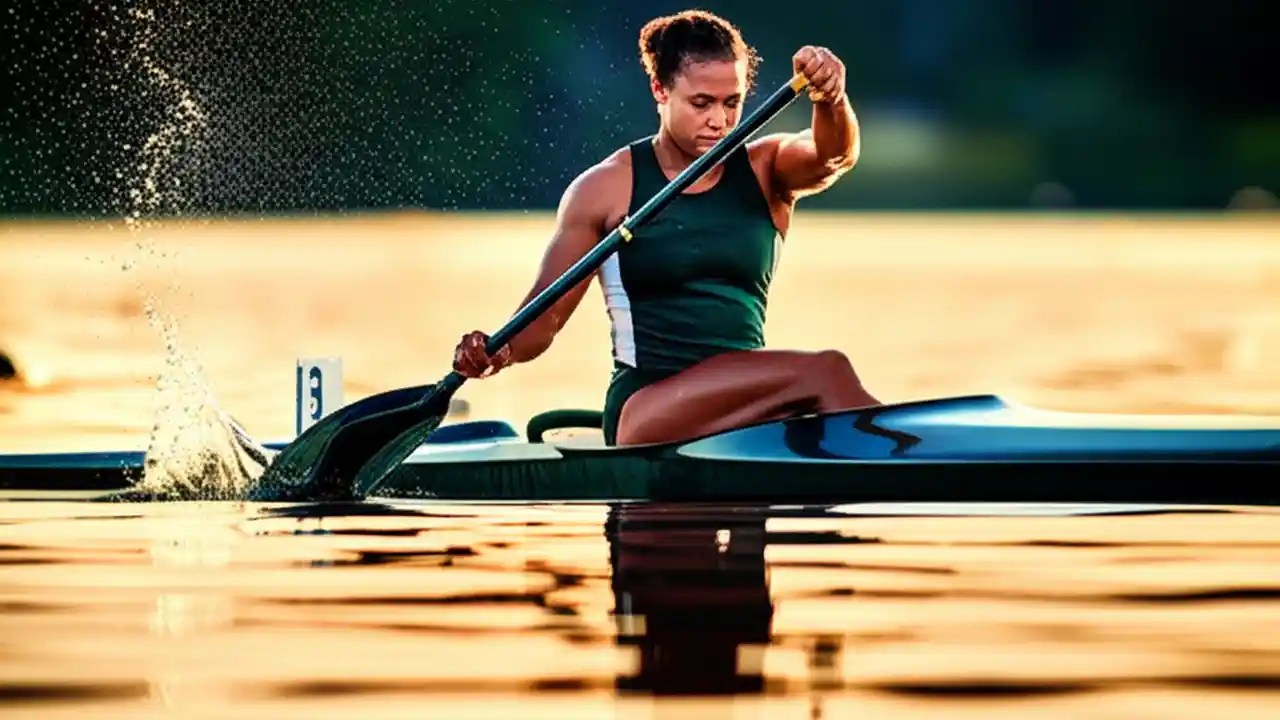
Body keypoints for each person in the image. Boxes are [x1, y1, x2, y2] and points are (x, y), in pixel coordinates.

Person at [452, 9, 880, 446]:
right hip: (648, 412)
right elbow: (543, 321)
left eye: (732, 103)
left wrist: (831, 98)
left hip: (747, 404)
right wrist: (496, 352)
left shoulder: (767, 169)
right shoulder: (606, 188)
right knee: (828, 371)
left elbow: (834, 156)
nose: (719, 120)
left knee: (824, 387)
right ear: (660, 89)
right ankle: (913, 460)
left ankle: (895, 460)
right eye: (701, 103)